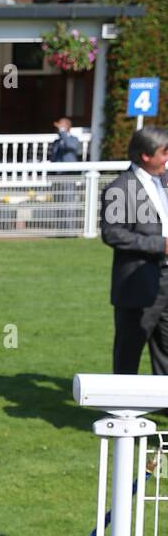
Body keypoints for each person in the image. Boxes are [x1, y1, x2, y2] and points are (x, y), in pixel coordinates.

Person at [101, 126, 168, 374]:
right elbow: (112, 233)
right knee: (128, 354)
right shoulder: (119, 188)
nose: (167, 158)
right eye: (164, 152)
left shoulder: (164, 181)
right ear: (146, 156)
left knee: (166, 352)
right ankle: (122, 410)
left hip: (166, 281)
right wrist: (161, 245)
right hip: (138, 283)